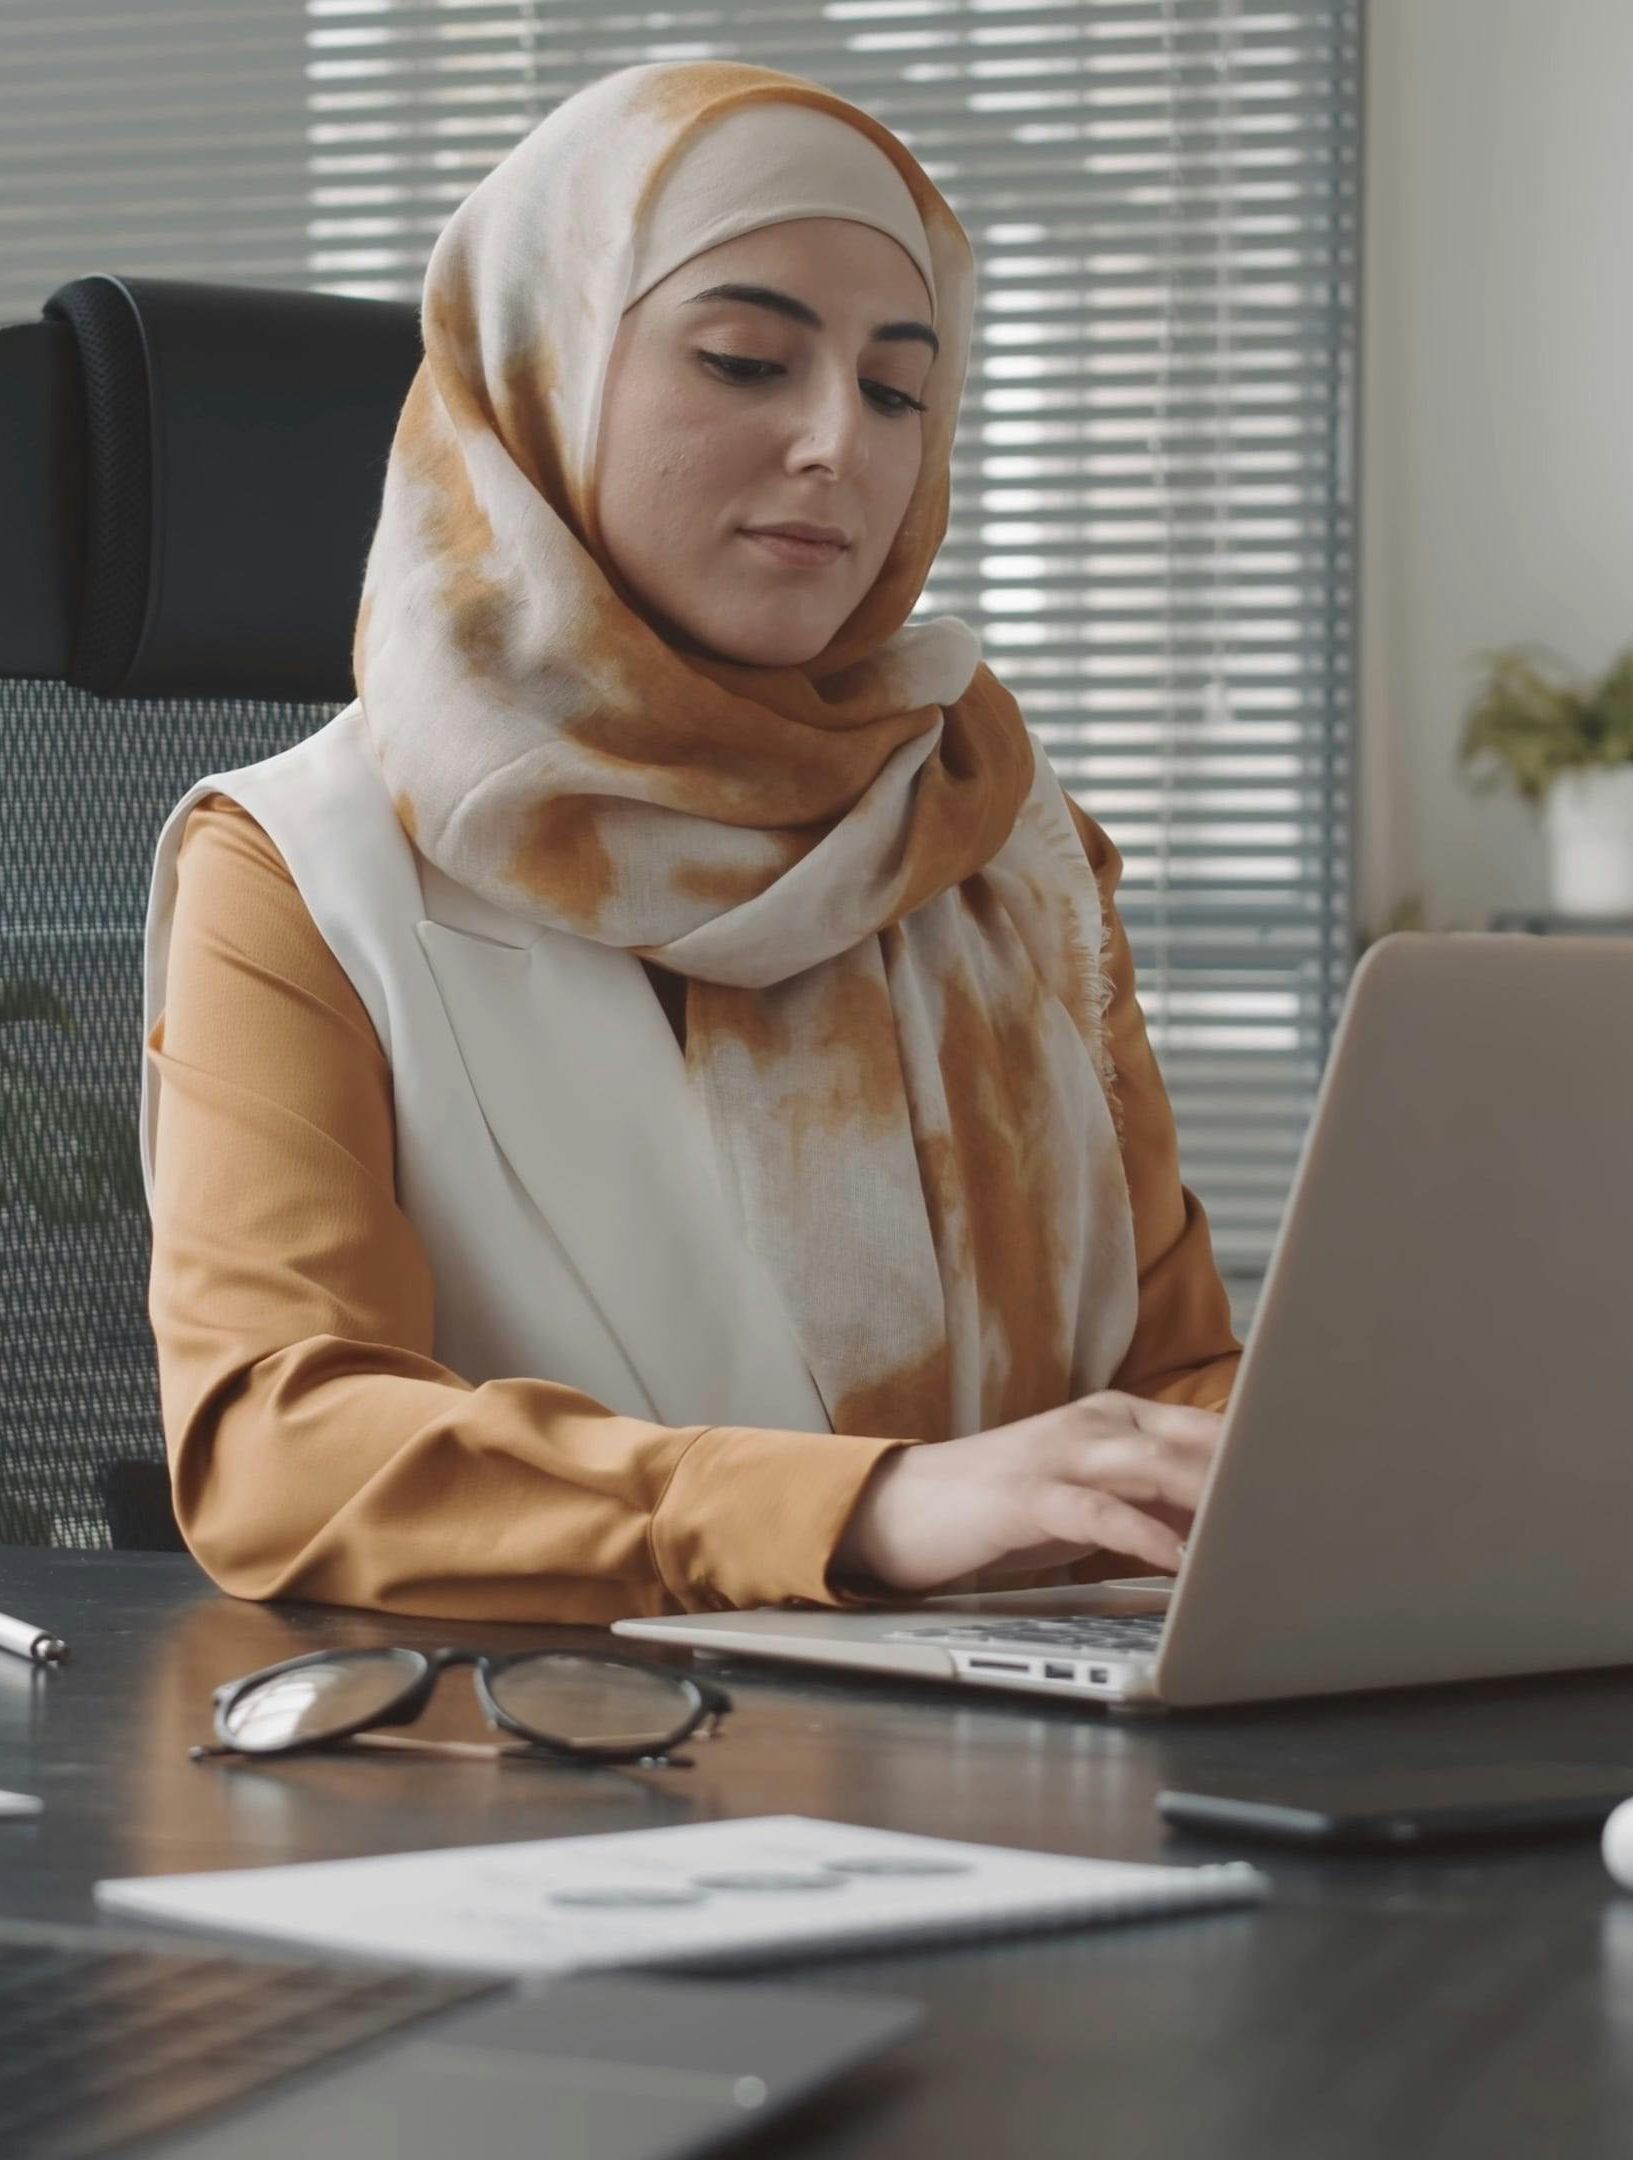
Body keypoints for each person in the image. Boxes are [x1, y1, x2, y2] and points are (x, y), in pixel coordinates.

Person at [136, 60, 1240, 1626]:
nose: (835, 445)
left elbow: (1170, 1373)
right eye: (743, 361)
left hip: (1045, 1753)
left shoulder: (1003, 839)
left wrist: (1367, 1473)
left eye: (897, 390)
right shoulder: (303, 869)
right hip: (578, 1782)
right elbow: (278, 1439)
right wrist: (862, 1511)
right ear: (549, 370)